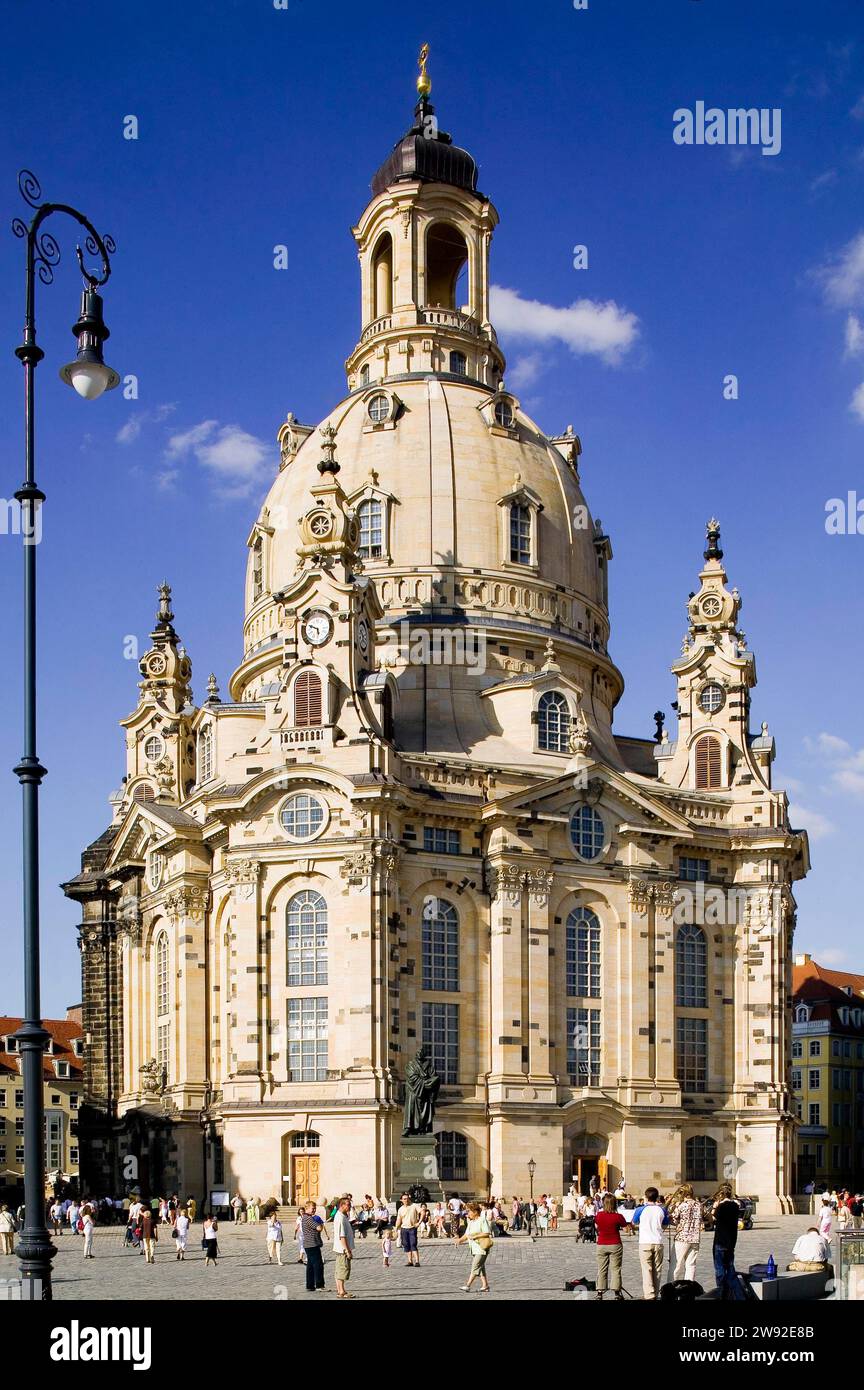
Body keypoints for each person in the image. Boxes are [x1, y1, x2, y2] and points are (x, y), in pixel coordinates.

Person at [633, 1187, 669, 1300]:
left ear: (646, 1196)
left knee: (646, 1269)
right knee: (657, 1269)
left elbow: (634, 1222)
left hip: (645, 1242)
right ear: (657, 1197)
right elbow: (665, 1225)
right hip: (658, 1241)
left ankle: (649, 1294)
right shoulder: (662, 1210)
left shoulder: (640, 1209)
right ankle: (656, 1292)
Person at [712, 1185, 745, 1300]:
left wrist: (715, 1206)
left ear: (721, 1195)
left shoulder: (720, 1207)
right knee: (730, 1269)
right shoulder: (735, 1206)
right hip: (731, 1242)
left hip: (720, 1241)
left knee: (720, 1270)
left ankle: (722, 1294)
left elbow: (714, 1218)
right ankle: (739, 1295)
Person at [594, 1194, 627, 1300]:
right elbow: (625, 1228)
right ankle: (617, 1293)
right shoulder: (618, 1216)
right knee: (616, 1269)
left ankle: (600, 1292)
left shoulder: (599, 1215)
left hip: (602, 1244)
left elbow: (597, 1226)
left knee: (601, 1269)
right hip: (615, 1244)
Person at [456, 1200, 492, 1293]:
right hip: (474, 1249)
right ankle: (485, 1286)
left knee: (475, 1267)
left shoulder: (482, 1220)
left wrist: (475, 1236)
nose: (467, 1213)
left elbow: (487, 1232)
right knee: (480, 1267)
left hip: (482, 1248)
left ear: (475, 1212)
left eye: (469, 1211)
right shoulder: (471, 1222)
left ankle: (468, 1285)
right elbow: (467, 1235)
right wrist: (459, 1240)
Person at [670, 1184, 703, 1282]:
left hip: (682, 1238)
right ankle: (688, 1290)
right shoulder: (699, 1205)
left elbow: (674, 1219)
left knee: (675, 1266)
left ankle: (671, 1288)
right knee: (691, 1265)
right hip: (695, 1238)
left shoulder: (681, 1205)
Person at [332, 1195, 355, 1298]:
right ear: (342, 1205)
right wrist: (347, 1250)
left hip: (340, 1248)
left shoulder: (342, 1215)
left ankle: (340, 1290)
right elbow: (342, 1236)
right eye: (348, 1205)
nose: (350, 1206)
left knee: (339, 1269)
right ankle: (341, 1291)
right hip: (342, 1249)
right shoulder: (340, 1218)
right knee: (343, 1269)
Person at [300, 1200, 325, 1291]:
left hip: (309, 1244)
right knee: (318, 1265)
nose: (314, 1210)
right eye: (313, 1208)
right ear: (307, 1208)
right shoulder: (308, 1218)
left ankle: (310, 1286)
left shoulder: (307, 1217)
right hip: (312, 1244)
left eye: (315, 1208)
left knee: (310, 1266)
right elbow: (318, 1228)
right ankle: (319, 1285)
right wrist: (321, 1224)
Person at [395, 1192, 422, 1267]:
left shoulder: (414, 1206)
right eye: (404, 1199)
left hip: (412, 1228)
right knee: (406, 1245)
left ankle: (417, 1261)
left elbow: (422, 1212)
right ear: (401, 1200)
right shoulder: (400, 1209)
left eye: (407, 1198)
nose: (406, 1200)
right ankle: (410, 1261)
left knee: (413, 1244)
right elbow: (399, 1220)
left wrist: (419, 1222)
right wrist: (396, 1228)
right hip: (404, 1229)